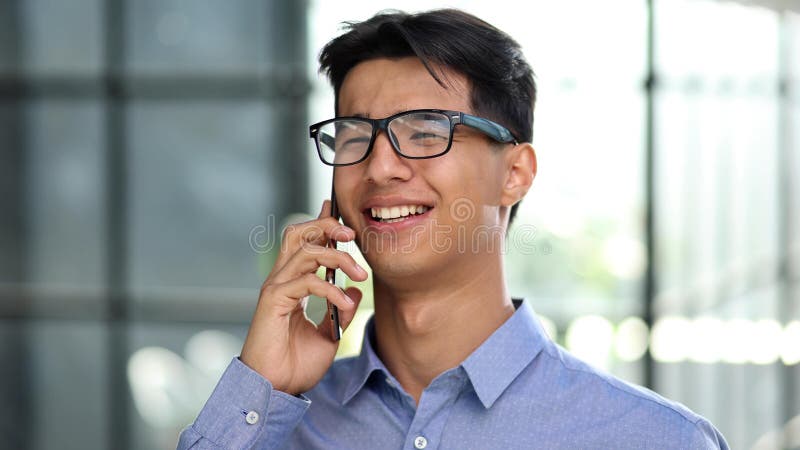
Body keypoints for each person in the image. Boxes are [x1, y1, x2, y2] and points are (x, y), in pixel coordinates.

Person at [177, 9, 728, 449]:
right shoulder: (270, 423)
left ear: (515, 173)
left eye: (423, 132)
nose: (379, 167)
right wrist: (260, 387)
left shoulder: (653, 438)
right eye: (352, 135)